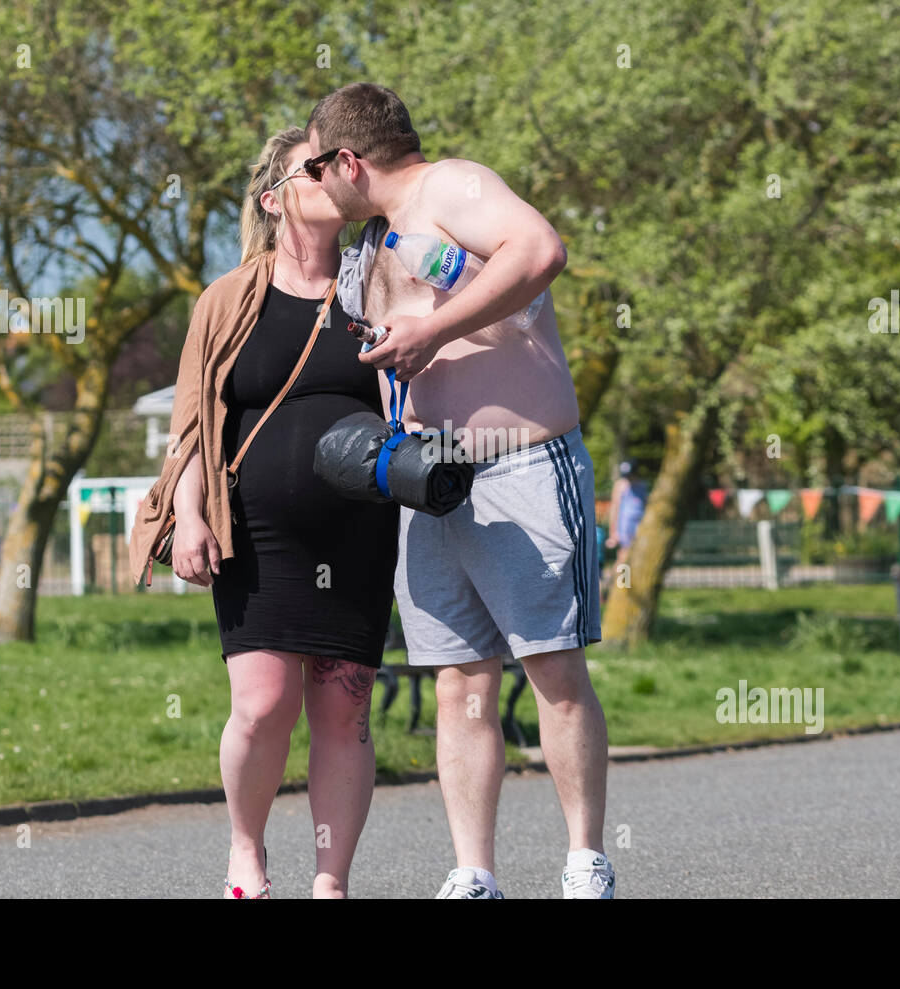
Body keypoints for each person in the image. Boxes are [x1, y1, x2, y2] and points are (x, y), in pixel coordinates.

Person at [306, 83, 613, 898]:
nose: (315, 182)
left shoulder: (452, 186)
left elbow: (540, 249)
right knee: (460, 682)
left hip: (521, 463)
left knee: (553, 668)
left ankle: (586, 860)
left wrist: (433, 327)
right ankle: (474, 872)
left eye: (314, 165)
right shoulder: (367, 248)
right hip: (427, 485)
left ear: (347, 161)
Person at [128, 126, 398, 899]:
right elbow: (190, 424)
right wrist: (191, 512)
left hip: (359, 532)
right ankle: (246, 850)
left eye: (333, 166)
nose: (328, 178)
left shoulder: (376, 287)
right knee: (263, 703)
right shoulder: (228, 298)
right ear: (274, 200)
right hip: (257, 531)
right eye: (308, 170)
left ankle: (330, 880)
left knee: (345, 708)